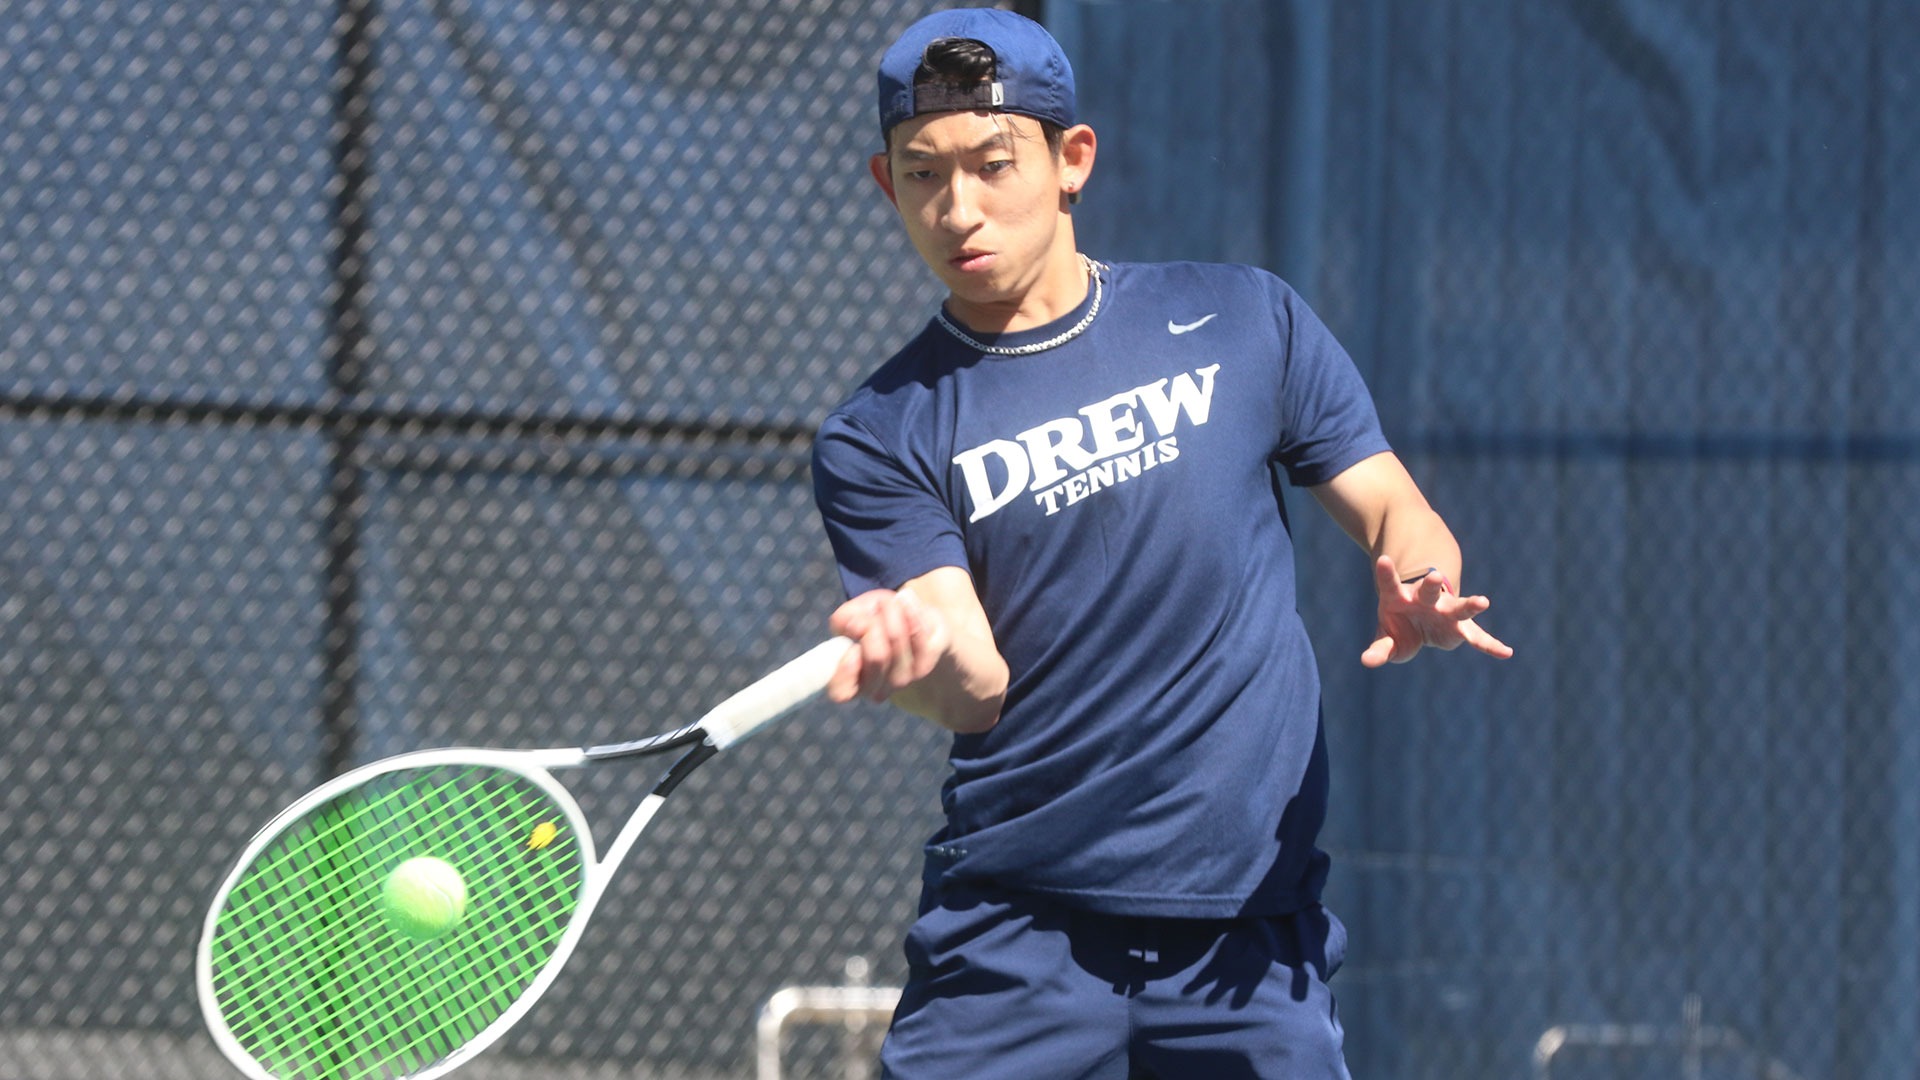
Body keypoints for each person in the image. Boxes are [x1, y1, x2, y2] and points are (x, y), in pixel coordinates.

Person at [809, 9, 1512, 1078]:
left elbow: (1392, 508)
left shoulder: (1242, 320)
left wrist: (1420, 575)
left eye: (994, 165)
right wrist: (915, 661)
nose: (959, 209)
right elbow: (975, 682)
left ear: (1071, 158)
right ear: (884, 183)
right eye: (923, 175)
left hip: (1250, 947)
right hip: (1013, 943)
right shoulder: (878, 434)